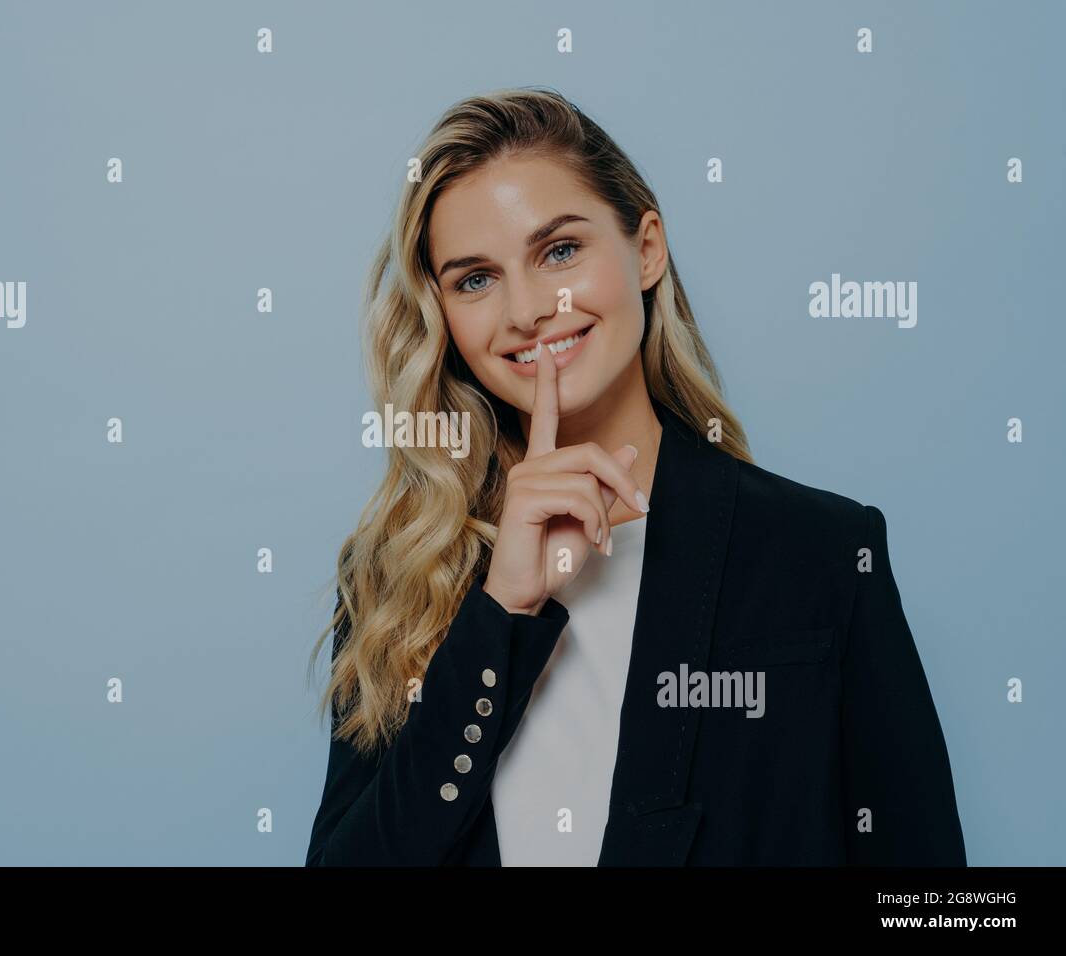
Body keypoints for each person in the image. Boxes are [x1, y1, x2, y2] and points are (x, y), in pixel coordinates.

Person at [305, 87, 966, 866]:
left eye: (559, 251)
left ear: (646, 248)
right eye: (475, 279)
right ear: (443, 315)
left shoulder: (821, 554)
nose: (525, 310)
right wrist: (501, 611)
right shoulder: (394, 575)